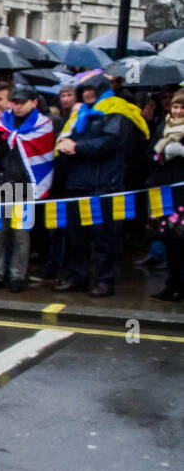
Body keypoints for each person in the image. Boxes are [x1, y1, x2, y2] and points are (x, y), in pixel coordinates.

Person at [53, 74, 150, 297]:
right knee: (76, 236)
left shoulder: (117, 110)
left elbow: (111, 141)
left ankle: (105, 280)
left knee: (105, 236)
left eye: (92, 89)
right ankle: (79, 277)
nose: (87, 93)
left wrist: (76, 146)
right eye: (84, 89)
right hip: (78, 182)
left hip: (104, 183)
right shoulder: (81, 114)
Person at [0, 84, 56, 292]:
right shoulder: (3, 121)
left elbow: (43, 155)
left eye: (22, 102)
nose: (17, 107)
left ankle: (17, 276)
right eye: (15, 102)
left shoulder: (43, 124)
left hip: (24, 185)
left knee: (20, 234)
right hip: (1, 182)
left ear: (34, 103)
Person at [146, 90, 184, 302]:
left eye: (182, 107)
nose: (178, 111)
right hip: (165, 191)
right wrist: (161, 154)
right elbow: (149, 153)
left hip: (182, 194)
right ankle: (172, 285)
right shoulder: (163, 126)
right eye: (175, 107)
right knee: (170, 240)